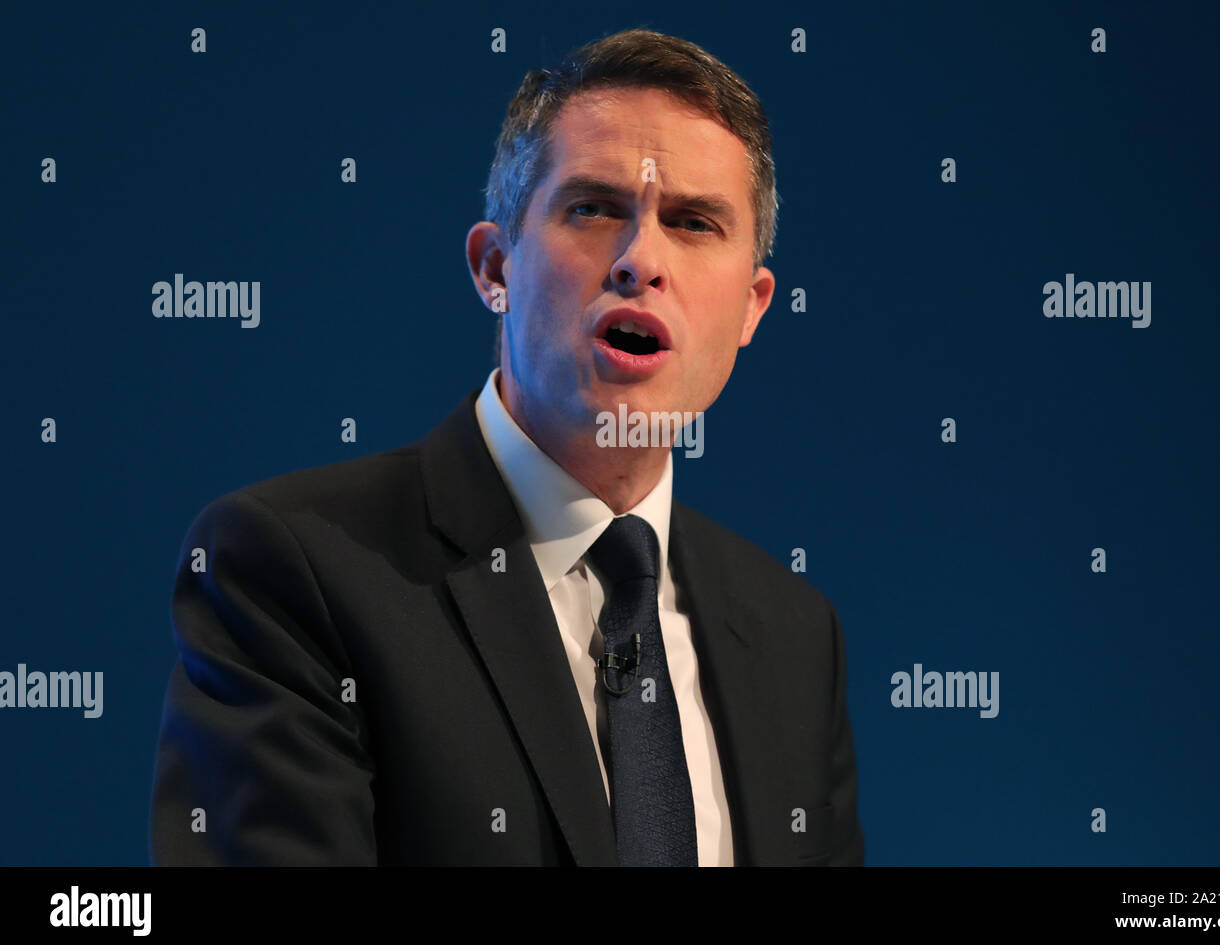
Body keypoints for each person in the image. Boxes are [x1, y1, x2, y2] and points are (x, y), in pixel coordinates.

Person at [149, 27, 864, 866]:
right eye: (594, 208)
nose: (641, 261)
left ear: (751, 307)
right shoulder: (294, 567)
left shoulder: (793, 636)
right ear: (495, 267)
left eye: (694, 221)